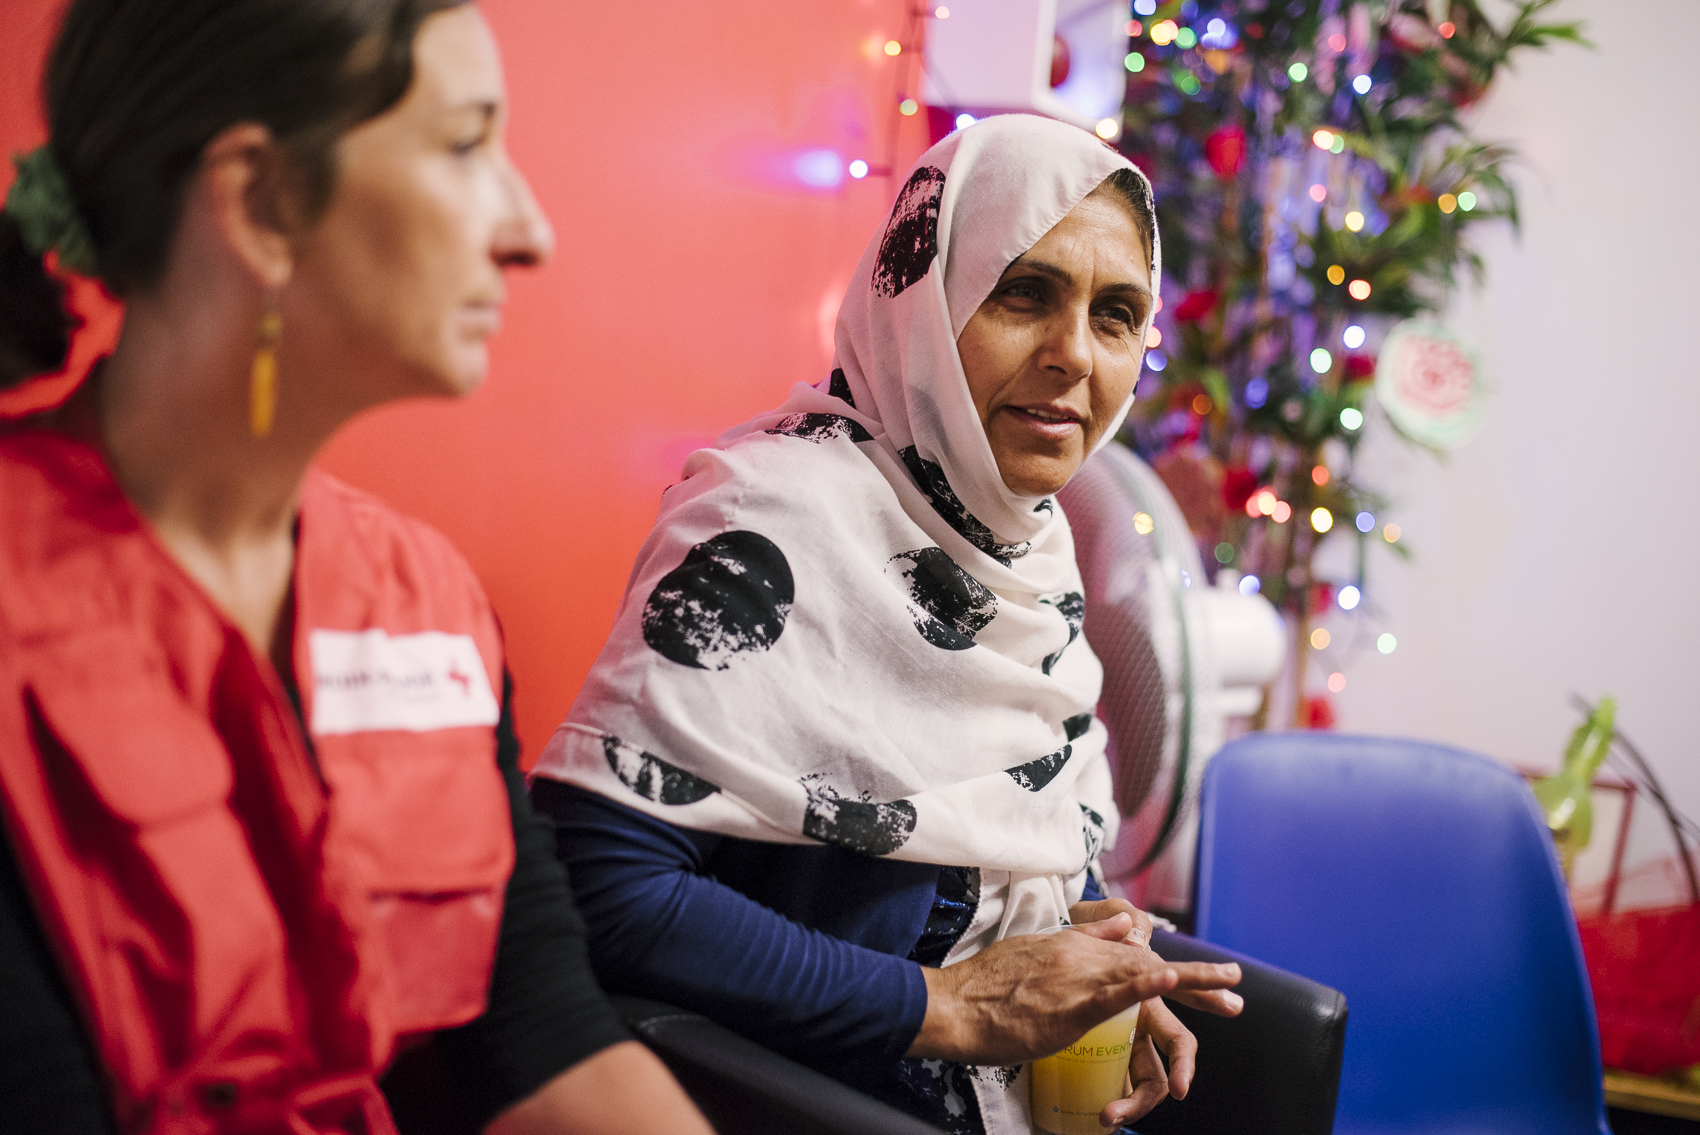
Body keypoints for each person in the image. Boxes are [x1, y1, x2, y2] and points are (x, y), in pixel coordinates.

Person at [0, 2, 713, 1133]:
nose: (530, 231)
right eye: (466, 144)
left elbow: (543, 1040)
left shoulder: (424, 597)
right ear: (263, 203)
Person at [529, 114, 1243, 1134]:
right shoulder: (774, 521)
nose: (1073, 355)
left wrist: (1094, 959)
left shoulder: (1032, 553)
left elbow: (1012, 827)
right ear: (922, 296)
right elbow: (595, 883)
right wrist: (951, 1005)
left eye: (1117, 314)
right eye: (1023, 293)